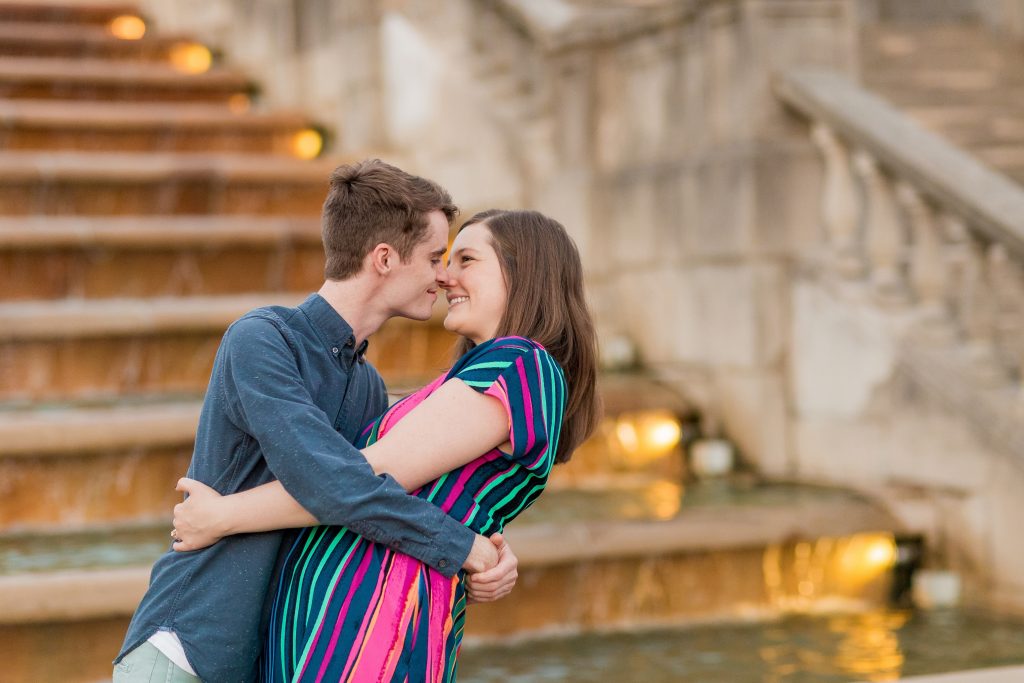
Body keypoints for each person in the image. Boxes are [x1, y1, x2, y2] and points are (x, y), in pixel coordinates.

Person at [114, 160, 522, 683]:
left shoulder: (369, 386)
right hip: (189, 649)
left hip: (277, 656)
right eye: (434, 257)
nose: (444, 277)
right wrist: (459, 547)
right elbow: (331, 482)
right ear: (384, 259)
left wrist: (493, 552)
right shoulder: (262, 340)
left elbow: (398, 493)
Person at [169, 208, 601, 681]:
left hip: (373, 626)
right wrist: (480, 547)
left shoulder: (519, 365)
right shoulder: (482, 376)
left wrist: (221, 516)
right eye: (443, 259)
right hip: (347, 621)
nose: (445, 277)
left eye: (466, 259)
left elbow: (359, 478)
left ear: (525, 273)